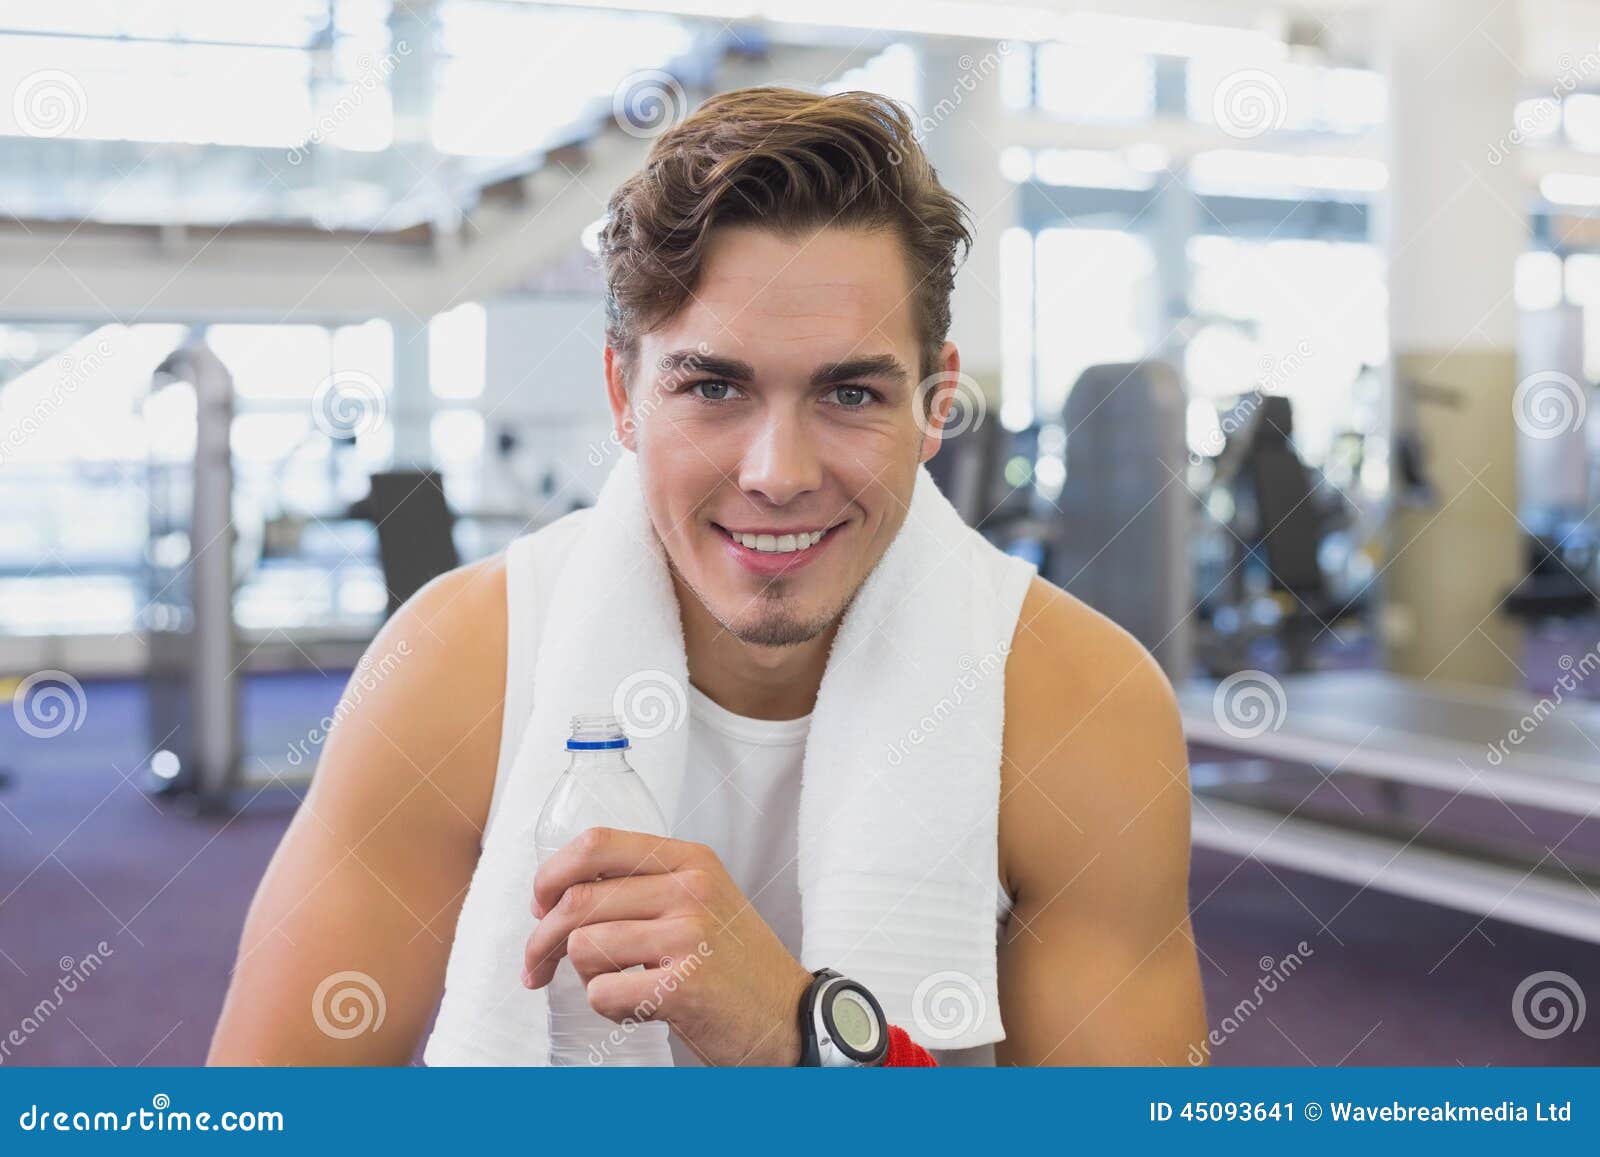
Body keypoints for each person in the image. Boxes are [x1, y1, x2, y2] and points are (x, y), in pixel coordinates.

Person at [208, 86, 1206, 1067]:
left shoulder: (1083, 703)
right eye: (714, 386)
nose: (778, 473)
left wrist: (799, 1040)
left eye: (849, 391)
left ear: (935, 402)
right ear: (622, 393)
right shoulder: (455, 665)